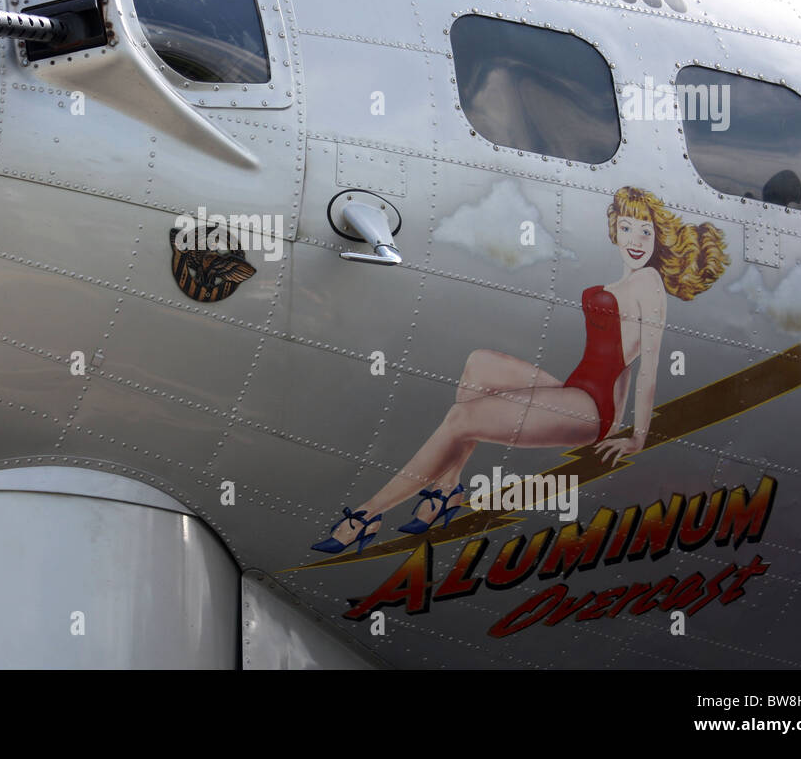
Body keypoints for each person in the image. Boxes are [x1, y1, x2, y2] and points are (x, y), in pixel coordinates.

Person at [312, 186, 731, 554]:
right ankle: (445, 489)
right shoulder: (622, 281)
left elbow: (649, 367)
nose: (635, 240)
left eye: (645, 231)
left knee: (462, 419)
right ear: (614, 231)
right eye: (626, 228)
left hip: (593, 408)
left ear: (658, 237)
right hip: (575, 388)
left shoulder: (649, 285)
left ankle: (367, 516)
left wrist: (637, 437)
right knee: (479, 363)